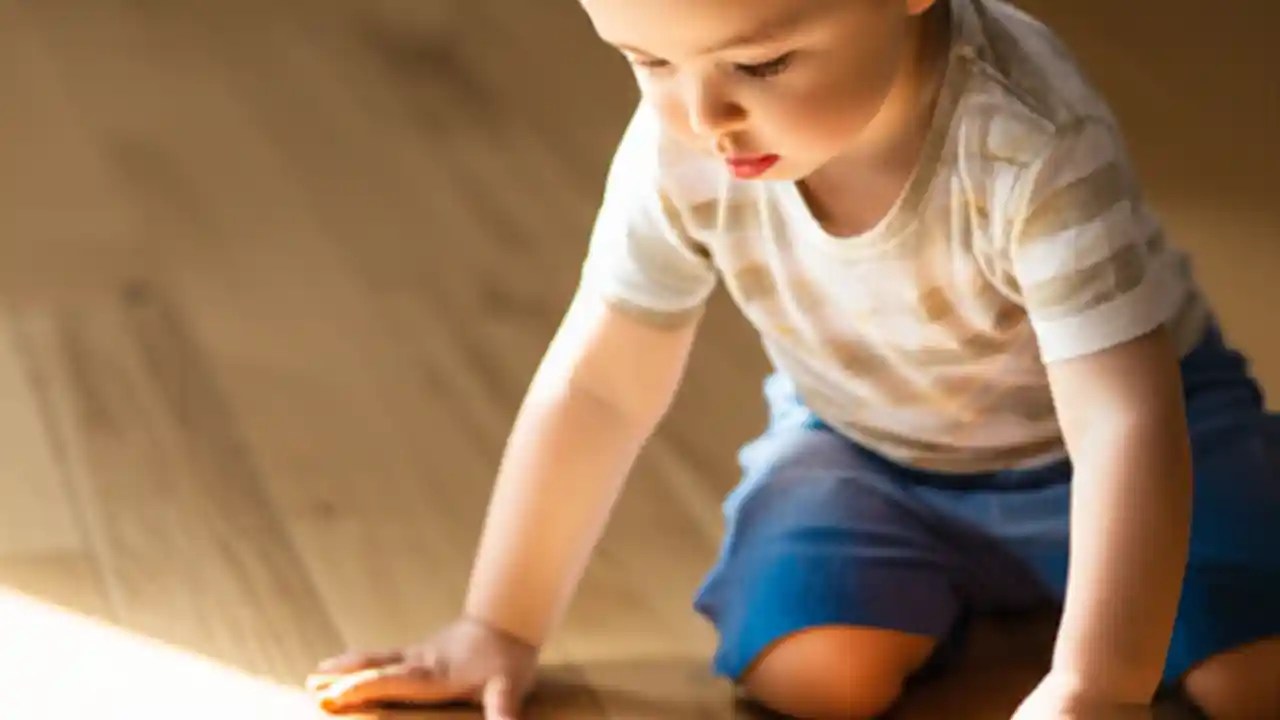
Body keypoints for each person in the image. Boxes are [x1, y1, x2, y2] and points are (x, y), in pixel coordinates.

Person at [305, 0, 1280, 717]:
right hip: (866, 447)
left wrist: (1091, 687)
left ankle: (1077, 594)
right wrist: (498, 628)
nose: (701, 115)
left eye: (762, 64)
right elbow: (602, 388)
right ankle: (1002, 583)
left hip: (1146, 437)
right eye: (645, 59)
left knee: (1251, 681)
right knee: (810, 680)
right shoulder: (678, 147)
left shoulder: (1027, 140)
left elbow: (1121, 421)